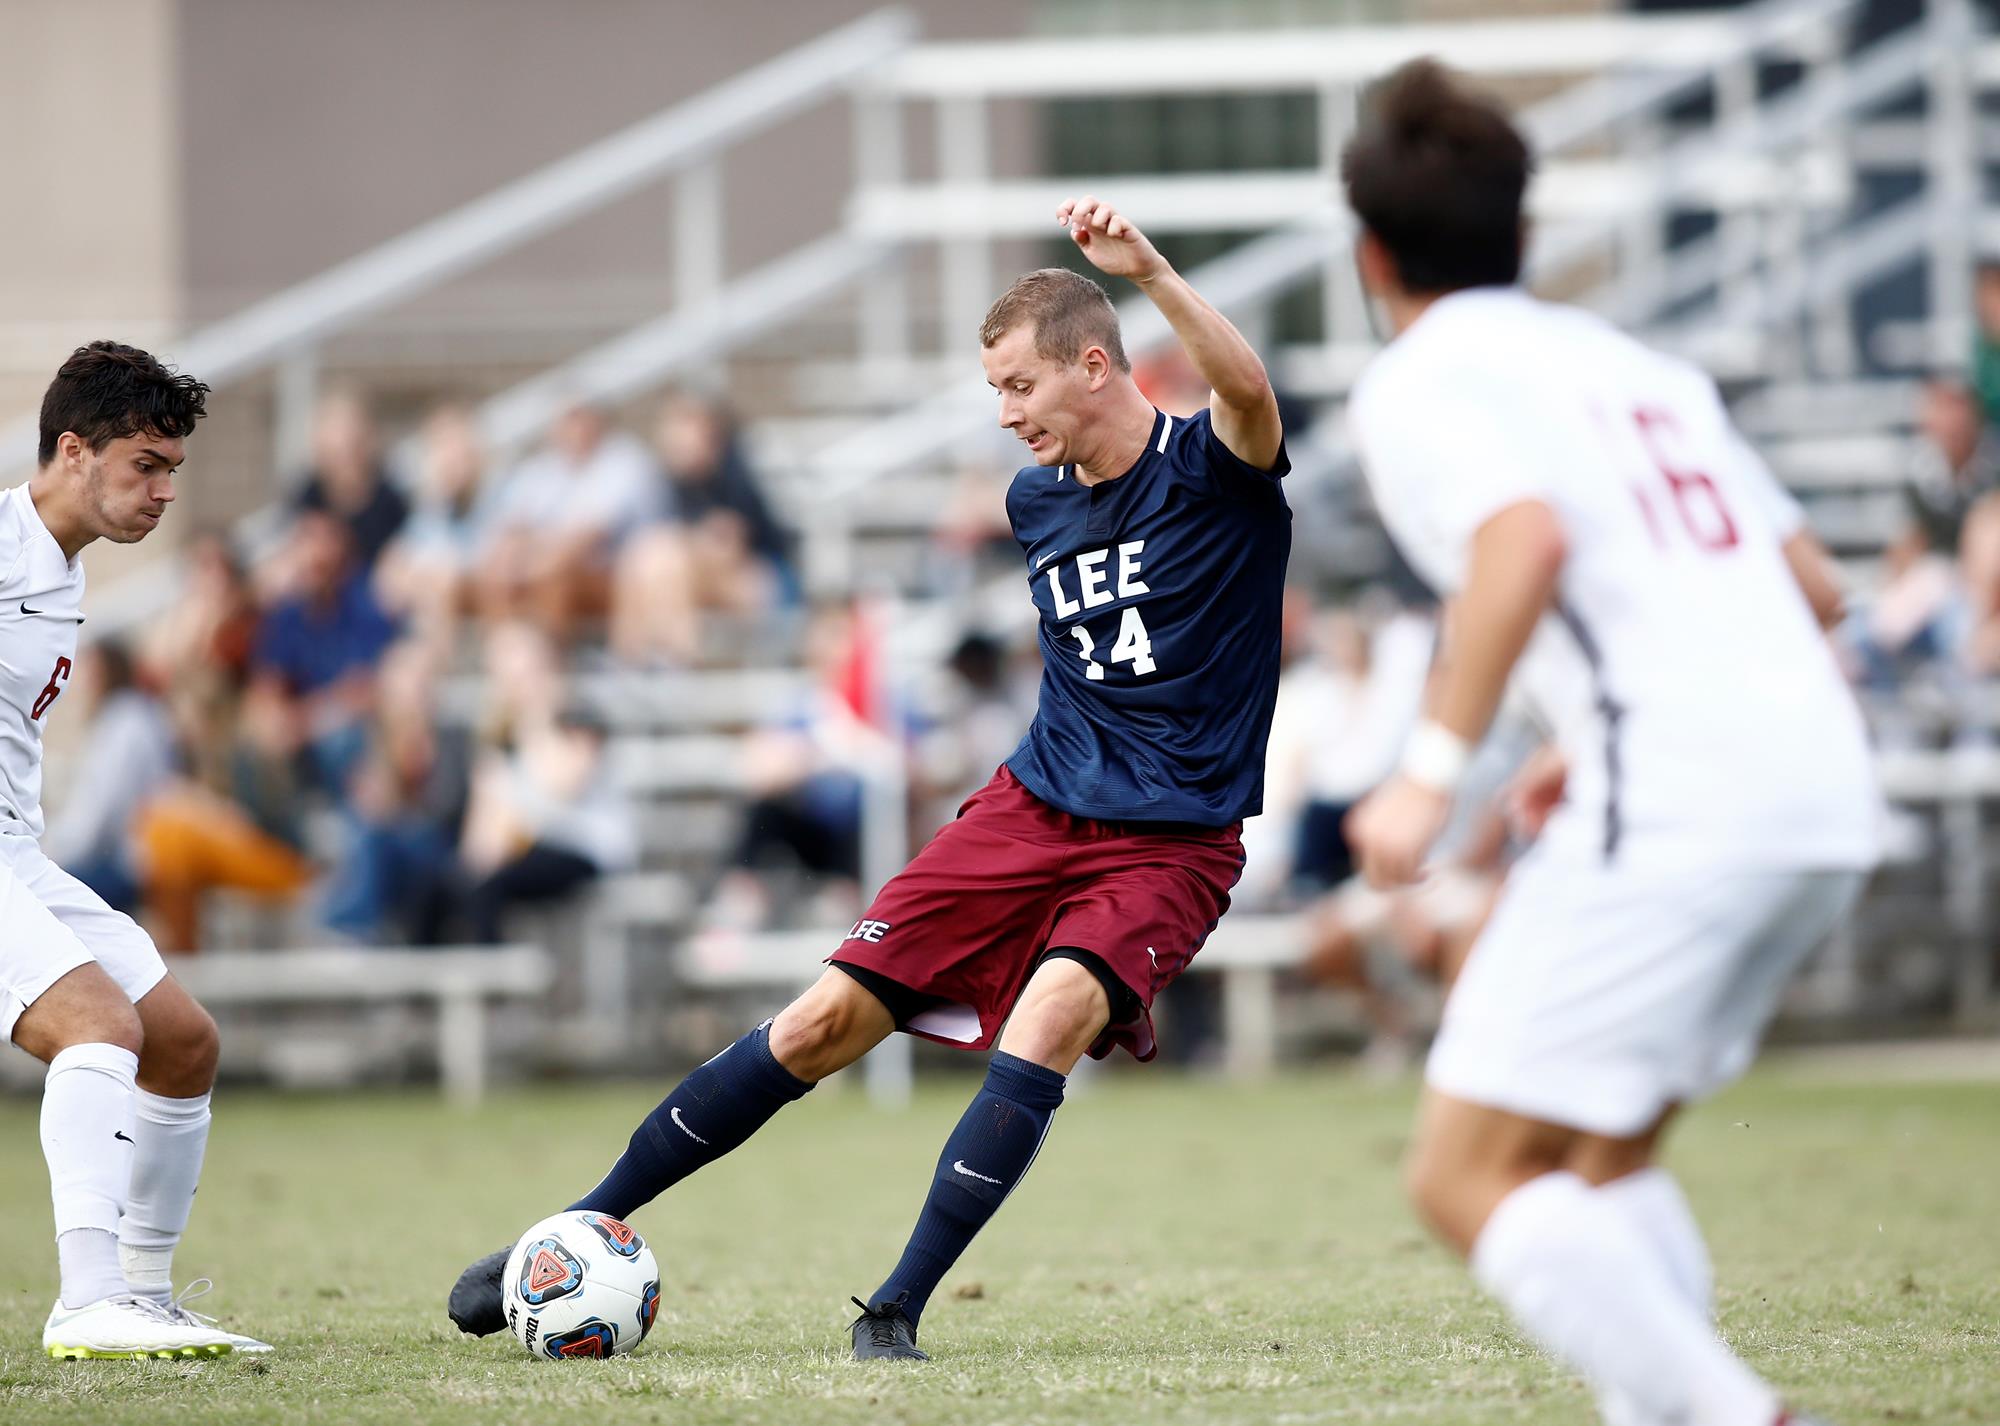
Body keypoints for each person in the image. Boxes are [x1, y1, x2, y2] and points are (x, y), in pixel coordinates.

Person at [445, 196, 1292, 1360]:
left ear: (1092, 367)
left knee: (1044, 1019)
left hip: (1170, 841)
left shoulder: (1214, 470)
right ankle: (579, 1223)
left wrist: (1144, 266)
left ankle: (892, 1309)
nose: (1003, 415)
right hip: (1028, 808)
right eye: (992, 391)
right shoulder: (1034, 502)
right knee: (817, 1021)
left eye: (1016, 388)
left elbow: (1245, 393)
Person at [1338, 62, 1874, 1426]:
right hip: (1817, 785)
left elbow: (1522, 539)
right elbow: (1813, 585)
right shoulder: (1638, 366)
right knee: (1593, 1156)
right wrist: (1595, 729)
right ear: (1525, 236)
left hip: (1686, 796)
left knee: (1461, 1174)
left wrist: (1427, 772)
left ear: (1369, 257)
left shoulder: (1421, 380)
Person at [3, 342, 269, 1357]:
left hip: (15, 851)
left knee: (182, 1040)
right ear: (74, 450)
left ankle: (144, 1297)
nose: (162, 491)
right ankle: (87, 1297)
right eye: (144, 465)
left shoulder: (63, 569)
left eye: (172, 470)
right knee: (97, 1024)